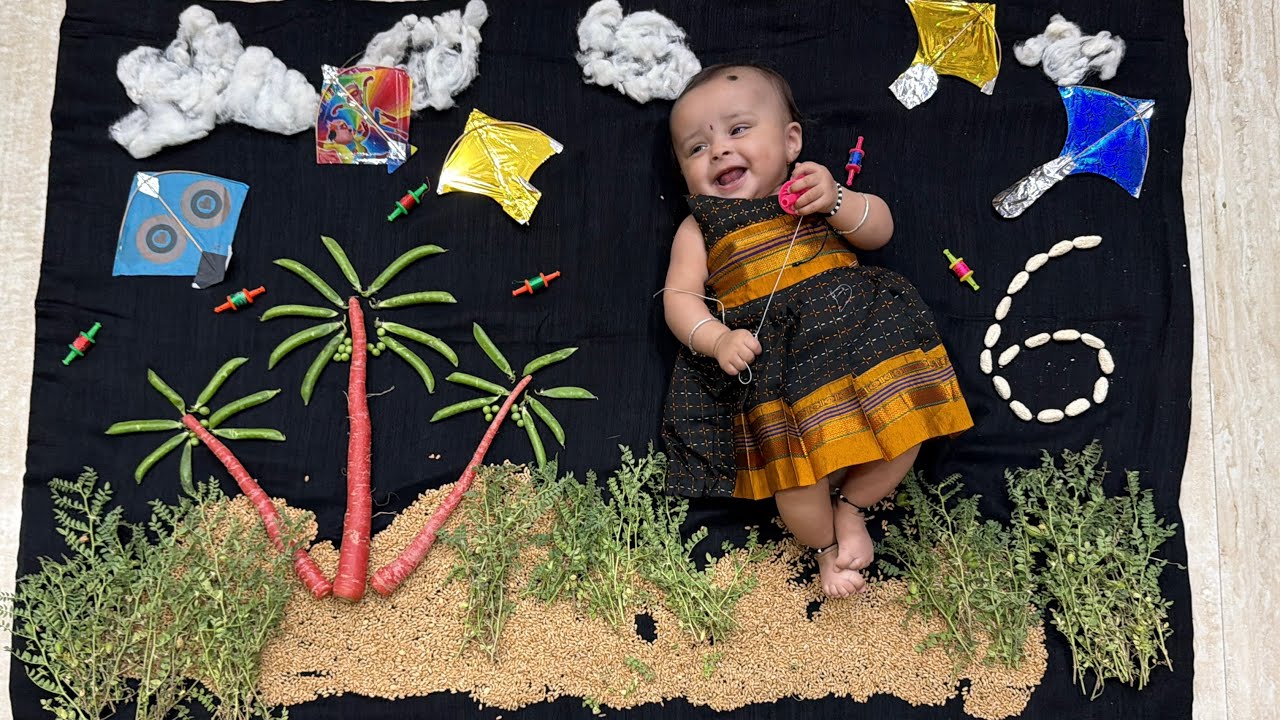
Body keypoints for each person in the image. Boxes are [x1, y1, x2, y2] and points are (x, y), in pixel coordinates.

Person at [659, 63, 973, 598]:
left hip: (860, 345)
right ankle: (826, 546)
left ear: (790, 142)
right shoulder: (701, 226)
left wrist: (837, 201)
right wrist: (716, 338)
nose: (718, 151)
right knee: (794, 486)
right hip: (776, 372)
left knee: (908, 427)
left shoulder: (811, 188)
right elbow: (679, 299)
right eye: (695, 148)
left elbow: (879, 230)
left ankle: (852, 505)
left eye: (738, 130)